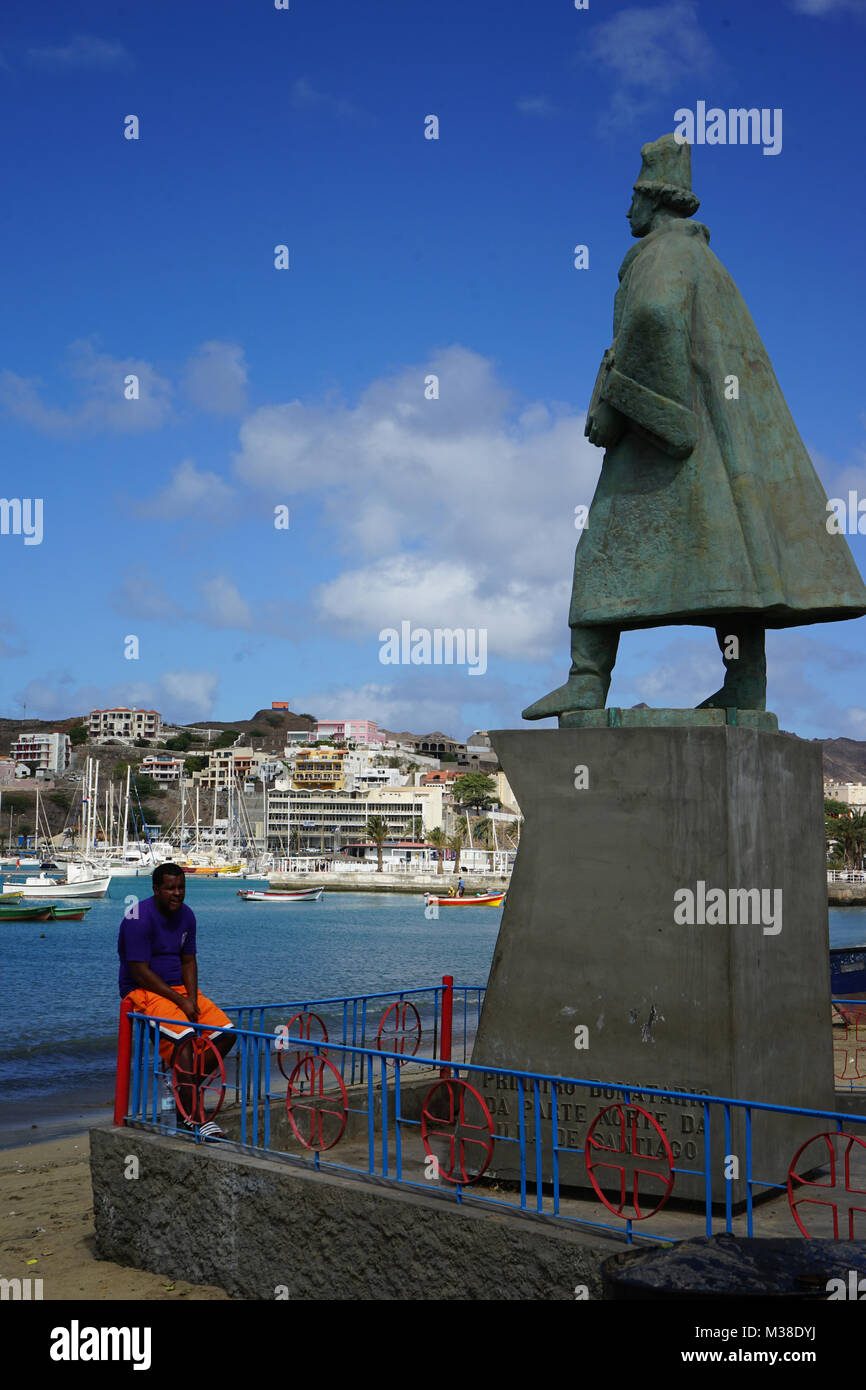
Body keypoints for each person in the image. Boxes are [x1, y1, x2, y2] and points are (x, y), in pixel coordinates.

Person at [523, 134, 866, 721]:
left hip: (667, 439)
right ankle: (746, 685)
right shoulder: (705, 259)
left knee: (600, 550)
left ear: (655, 201)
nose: (625, 210)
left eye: (633, 198)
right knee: (731, 568)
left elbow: (655, 319)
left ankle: (587, 681)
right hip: (720, 448)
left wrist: (628, 399)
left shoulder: (660, 255)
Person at [117, 862, 235, 1139]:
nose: (177, 893)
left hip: (180, 989)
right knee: (184, 1039)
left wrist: (191, 999)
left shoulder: (187, 916)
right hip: (143, 990)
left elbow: (189, 960)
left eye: (181, 887)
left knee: (227, 1034)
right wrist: (181, 1003)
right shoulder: (136, 917)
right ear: (156, 889)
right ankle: (194, 1117)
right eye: (170, 888)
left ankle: (182, 1084)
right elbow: (139, 971)